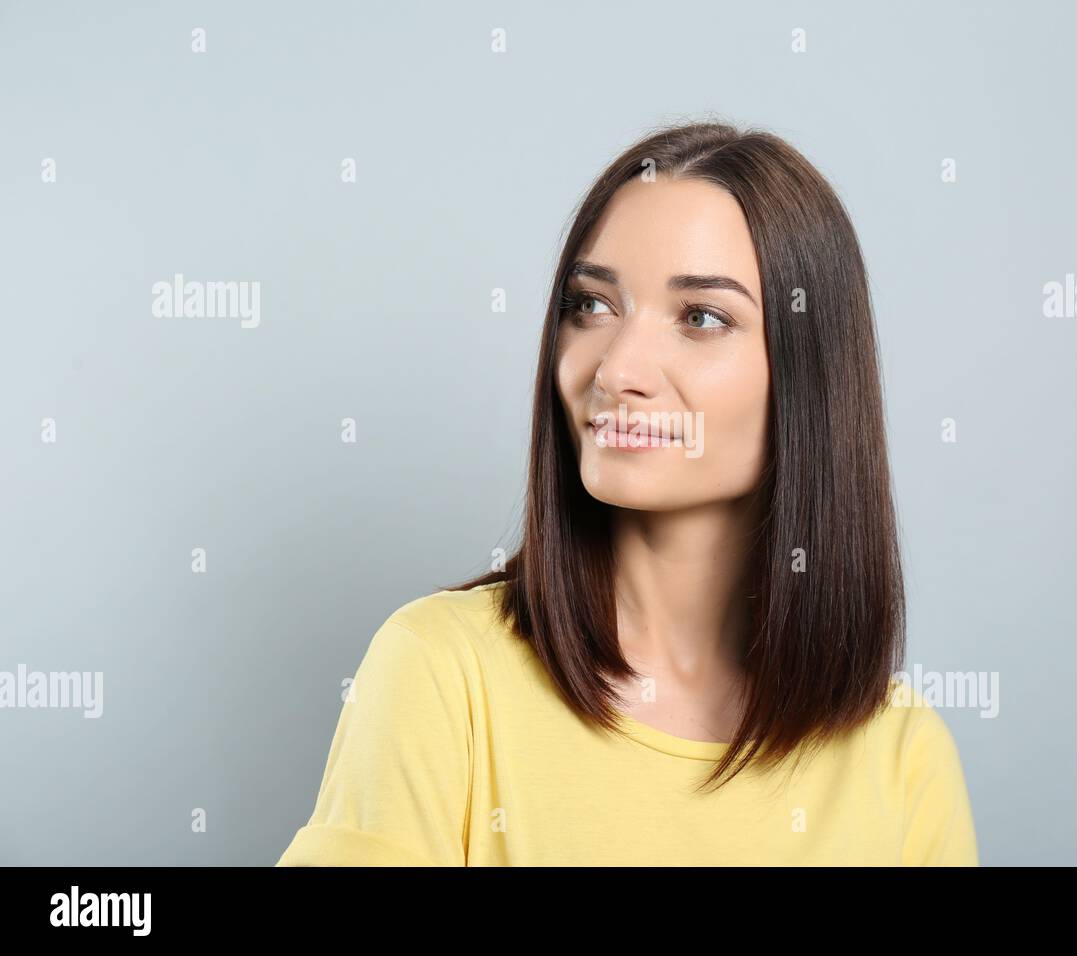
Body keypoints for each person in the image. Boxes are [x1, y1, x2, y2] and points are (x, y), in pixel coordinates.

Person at [277, 120, 978, 866]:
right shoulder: (440, 674)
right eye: (592, 305)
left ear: (810, 378)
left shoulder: (903, 756)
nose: (615, 370)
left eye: (701, 317)